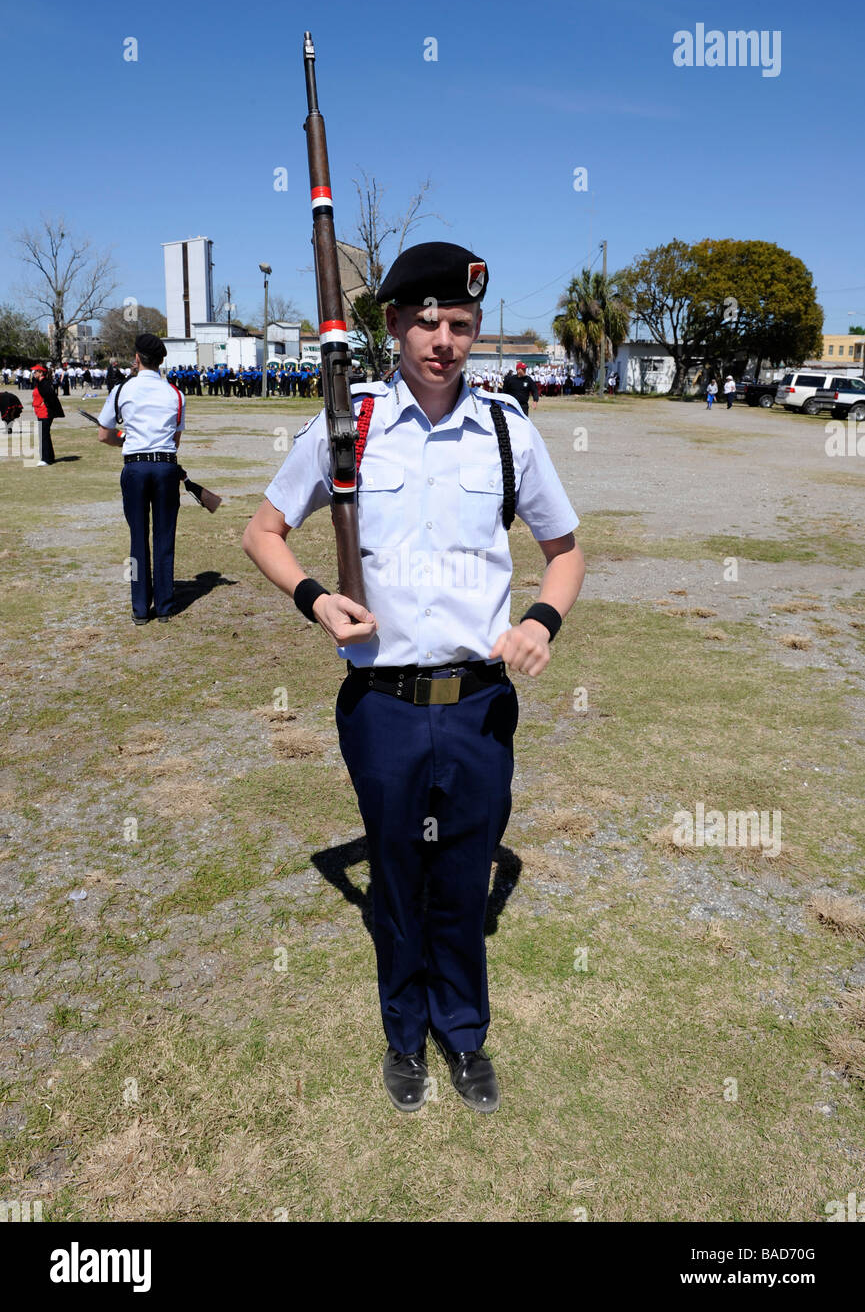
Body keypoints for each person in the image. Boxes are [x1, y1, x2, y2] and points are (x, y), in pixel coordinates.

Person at [243, 241, 585, 1115]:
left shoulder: (509, 430)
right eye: (425, 321)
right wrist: (316, 600)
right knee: (396, 877)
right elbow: (263, 531)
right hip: (383, 708)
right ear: (391, 324)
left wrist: (541, 621)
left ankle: (462, 1031)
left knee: (464, 877)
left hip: (478, 705)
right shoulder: (343, 425)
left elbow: (564, 551)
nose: (442, 339)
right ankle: (405, 1032)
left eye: (459, 324)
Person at [97, 333, 185, 625]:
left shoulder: (122, 390)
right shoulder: (175, 393)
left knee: (138, 537)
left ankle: (139, 607)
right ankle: (164, 604)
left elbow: (104, 434)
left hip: (135, 467)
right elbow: (175, 439)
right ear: (160, 361)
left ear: (137, 359)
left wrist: (127, 441)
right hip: (165, 466)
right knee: (164, 536)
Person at [31, 364, 65, 464]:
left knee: (43, 435)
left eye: (36, 371)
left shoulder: (44, 383)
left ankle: (46, 459)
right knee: (44, 434)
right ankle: (49, 457)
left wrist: (44, 404)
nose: (34, 373)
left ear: (41, 373)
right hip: (40, 412)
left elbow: (51, 396)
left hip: (45, 412)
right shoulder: (39, 382)